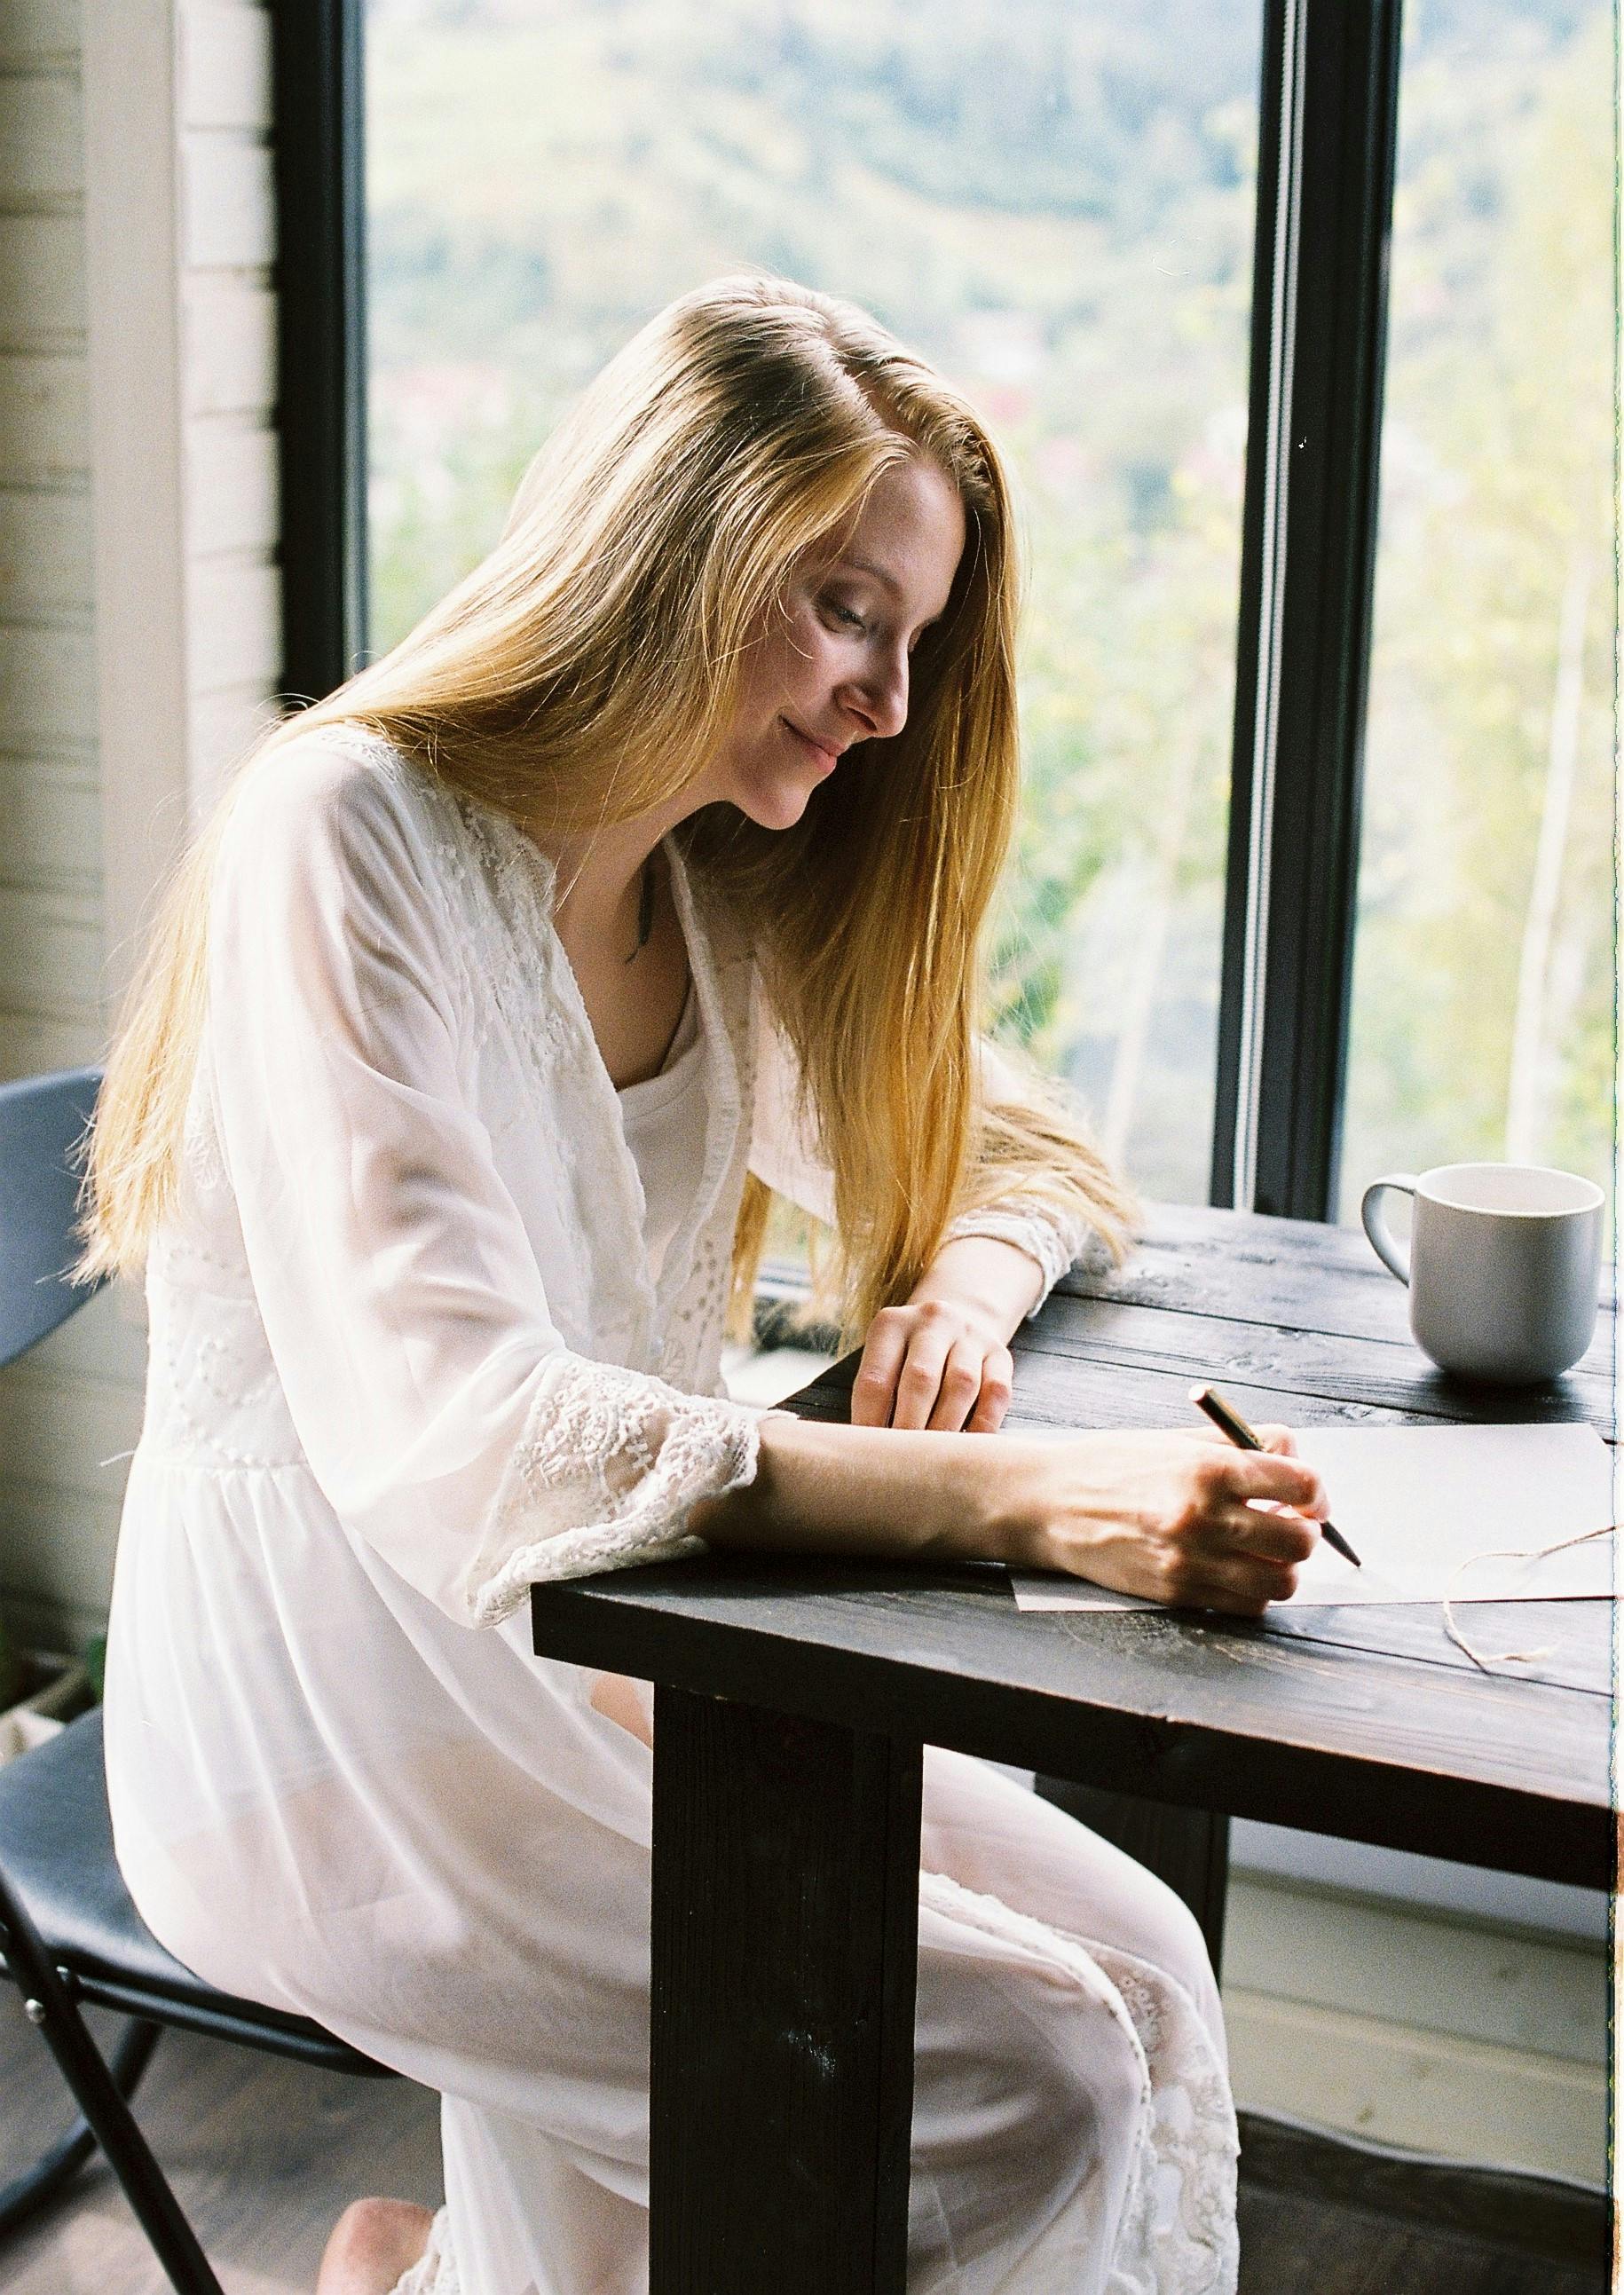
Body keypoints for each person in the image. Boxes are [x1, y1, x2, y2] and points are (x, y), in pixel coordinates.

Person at [78, 274, 1328, 2295]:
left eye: (910, 641)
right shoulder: (352, 831)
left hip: (610, 1664)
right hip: (330, 1719)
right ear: (670, 547)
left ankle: (414, 2276)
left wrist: (963, 1296)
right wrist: (1043, 1505)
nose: (886, 707)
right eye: (847, 610)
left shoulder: (711, 881)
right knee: (1039, 2078)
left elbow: (1036, 1159)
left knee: (1148, 1969)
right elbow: (459, 1441)